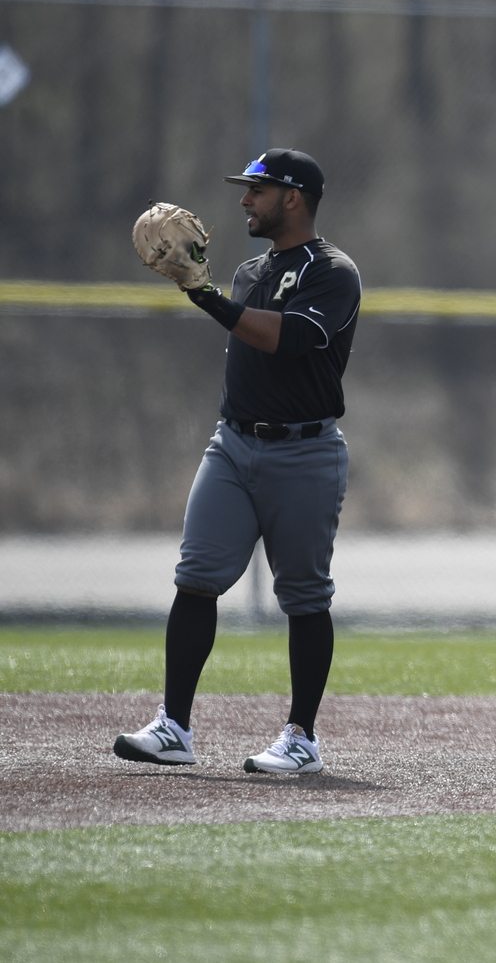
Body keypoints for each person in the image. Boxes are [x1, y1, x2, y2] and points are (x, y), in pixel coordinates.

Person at [114, 149, 360, 775]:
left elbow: (284, 338)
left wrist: (203, 294)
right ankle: (174, 727)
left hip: (306, 451)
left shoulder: (333, 271)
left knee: (304, 596)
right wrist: (210, 293)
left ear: (294, 197)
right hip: (233, 445)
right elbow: (247, 329)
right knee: (195, 576)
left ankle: (301, 738)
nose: (245, 201)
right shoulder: (251, 270)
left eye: (257, 190)